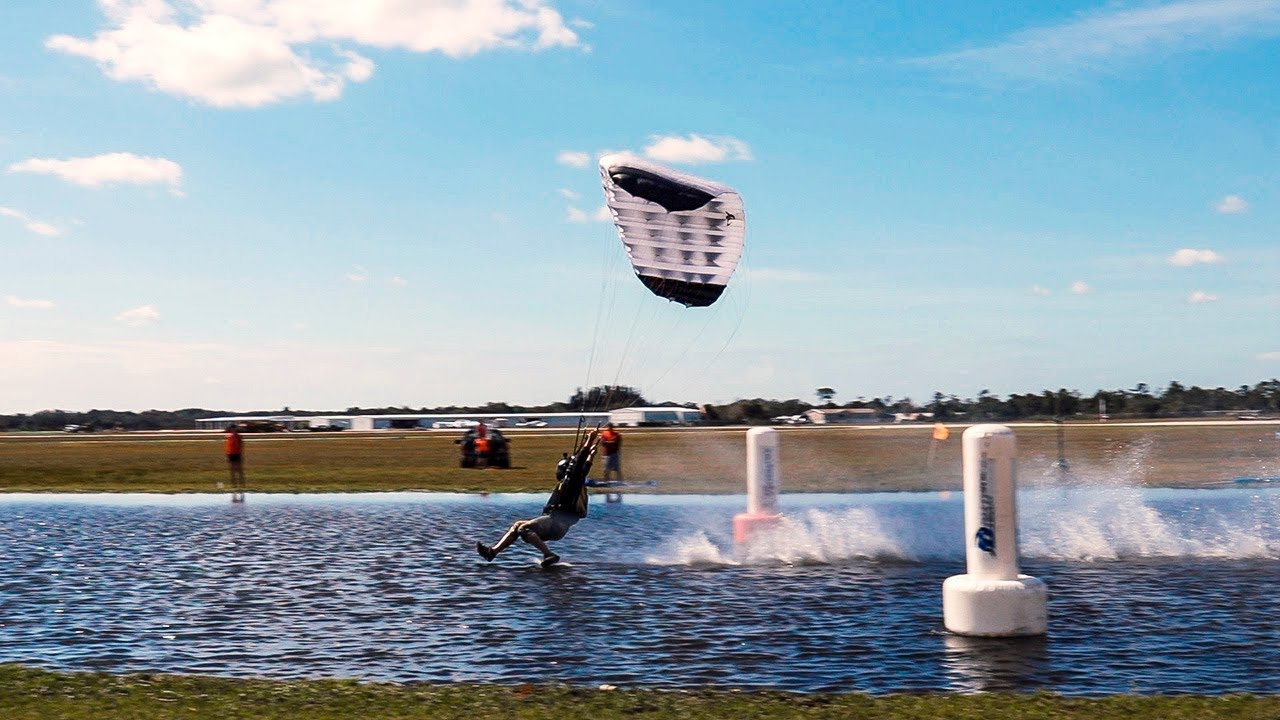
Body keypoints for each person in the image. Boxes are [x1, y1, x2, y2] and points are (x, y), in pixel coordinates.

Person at [476, 430, 600, 568]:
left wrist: (589, 441)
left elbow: (580, 462)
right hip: (557, 524)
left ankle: (549, 555)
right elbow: (584, 468)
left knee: (524, 528)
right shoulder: (577, 482)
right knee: (517, 526)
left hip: (555, 522)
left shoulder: (571, 482)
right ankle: (492, 552)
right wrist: (592, 455)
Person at [224, 423, 246, 501]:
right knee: (232, 470)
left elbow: (241, 446)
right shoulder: (229, 437)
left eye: (234, 428)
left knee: (239, 470)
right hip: (231, 454)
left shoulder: (239, 437)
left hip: (237, 454)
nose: (233, 430)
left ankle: (242, 484)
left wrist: (241, 455)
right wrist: (227, 455)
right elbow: (228, 447)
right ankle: (234, 485)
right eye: (232, 429)